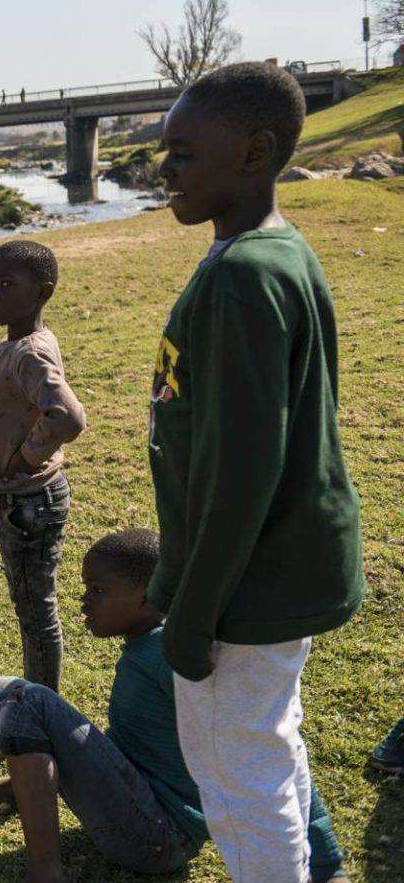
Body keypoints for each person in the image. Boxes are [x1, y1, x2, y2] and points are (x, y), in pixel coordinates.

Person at [149, 62, 363, 882]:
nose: (164, 169)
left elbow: (245, 470)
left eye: (182, 153)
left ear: (254, 153)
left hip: (245, 584)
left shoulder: (245, 276)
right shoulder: (273, 250)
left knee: (238, 773)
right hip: (273, 567)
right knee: (268, 741)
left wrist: (195, 609)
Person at [0, 530, 348, 883]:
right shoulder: (147, 646)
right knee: (1, 694)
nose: (85, 600)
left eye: (99, 590)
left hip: (161, 836)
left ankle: (46, 873)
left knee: (26, 702)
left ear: (147, 596)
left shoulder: (170, 658)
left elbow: (269, 749)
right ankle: (26, 785)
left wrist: (327, 860)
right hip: (137, 804)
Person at [0, 239, 86, 693]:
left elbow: (68, 416)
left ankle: (42, 704)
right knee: (31, 604)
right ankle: (40, 694)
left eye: (6, 284)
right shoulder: (20, 342)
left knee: (36, 610)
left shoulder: (29, 352)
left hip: (29, 504)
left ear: (42, 293)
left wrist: (26, 457)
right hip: (22, 502)